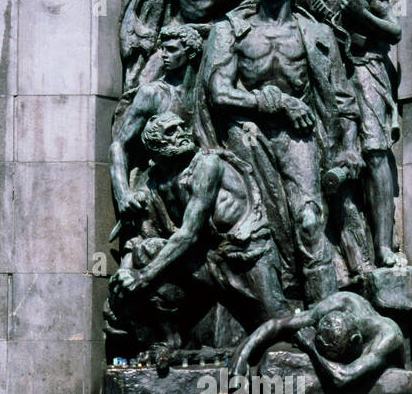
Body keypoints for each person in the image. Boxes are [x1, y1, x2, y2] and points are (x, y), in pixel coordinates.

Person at [200, 0, 362, 304]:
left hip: (299, 136)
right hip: (245, 134)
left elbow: (341, 97)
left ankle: (325, 309)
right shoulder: (231, 29)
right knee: (257, 225)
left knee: (308, 219)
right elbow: (218, 92)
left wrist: (348, 147)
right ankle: (275, 308)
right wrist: (275, 102)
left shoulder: (317, 33)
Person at [110, 112, 292, 331]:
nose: (181, 133)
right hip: (204, 258)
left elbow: (189, 233)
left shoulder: (207, 164)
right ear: (154, 145)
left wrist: (143, 276)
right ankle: (168, 344)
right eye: (171, 131)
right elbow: (140, 234)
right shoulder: (153, 181)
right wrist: (125, 271)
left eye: (180, 127)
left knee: (278, 324)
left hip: (246, 251)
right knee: (146, 250)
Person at [301, 0, 404, 266]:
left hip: (364, 70)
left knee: (375, 152)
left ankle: (383, 246)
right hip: (323, 76)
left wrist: (362, 13)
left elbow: (393, 32)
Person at [109, 20, 202, 240]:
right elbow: (119, 145)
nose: (164, 55)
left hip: (197, 180)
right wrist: (123, 194)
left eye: (171, 50)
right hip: (161, 188)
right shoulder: (152, 94)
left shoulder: (203, 92)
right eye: (162, 49)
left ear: (189, 53)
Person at [232, 289, 404, 391]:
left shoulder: (388, 337)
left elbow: (343, 378)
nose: (331, 360)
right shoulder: (342, 302)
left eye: (335, 355)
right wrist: (242, 355)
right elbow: (278, 325)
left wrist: (311, 348)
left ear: (355, 341)